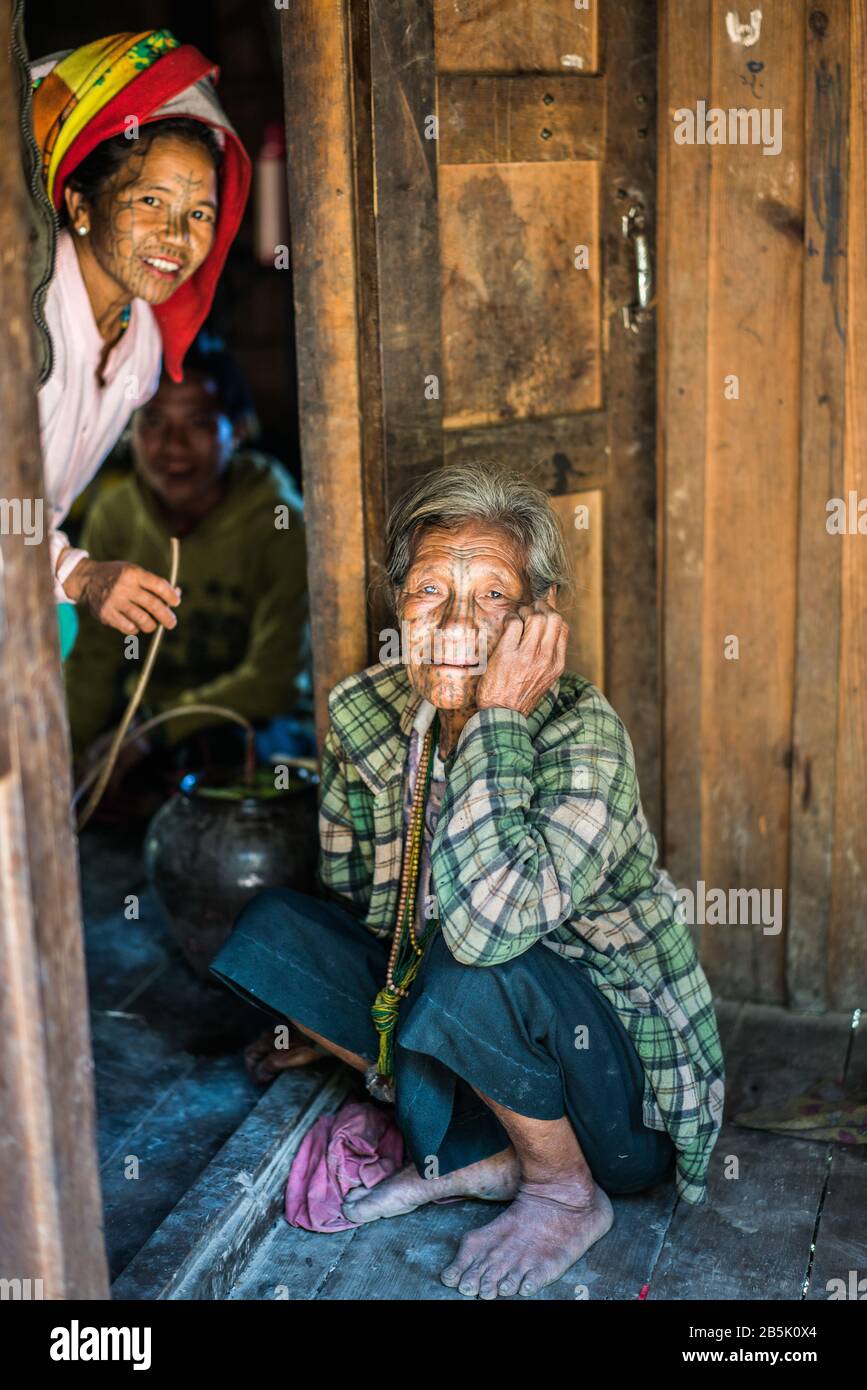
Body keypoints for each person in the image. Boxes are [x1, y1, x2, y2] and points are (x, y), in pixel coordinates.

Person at [211, 462, 725, 1299]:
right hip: (465, 1029)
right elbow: (358, 904)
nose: (453, 620)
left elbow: (490, 931)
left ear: (540, 617)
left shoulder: (585, 737)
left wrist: (493, 720)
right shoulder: (363, 712)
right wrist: (343, 1021)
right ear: (398, 607)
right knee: (271, 936)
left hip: (617, 1109)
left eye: (491, 595)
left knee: (471, 963)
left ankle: (561, 1191)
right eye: (426, 592)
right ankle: (485, 1153)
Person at [29, 29, 250, 657]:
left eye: (200, 213)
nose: (177, 235)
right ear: (81, 205)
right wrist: (74, 572)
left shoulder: (142, 345)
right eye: (150, 201)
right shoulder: (22, 322)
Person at [64, 335, 313, 789]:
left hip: (252, 732)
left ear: (236, 430)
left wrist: (154, 730)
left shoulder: (279, 522)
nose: (171, 445)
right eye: (152, 421)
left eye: (198, 422)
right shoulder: (115, 515)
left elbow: (278, 678)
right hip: (141, 732)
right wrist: (68, 764)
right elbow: (92, 661)